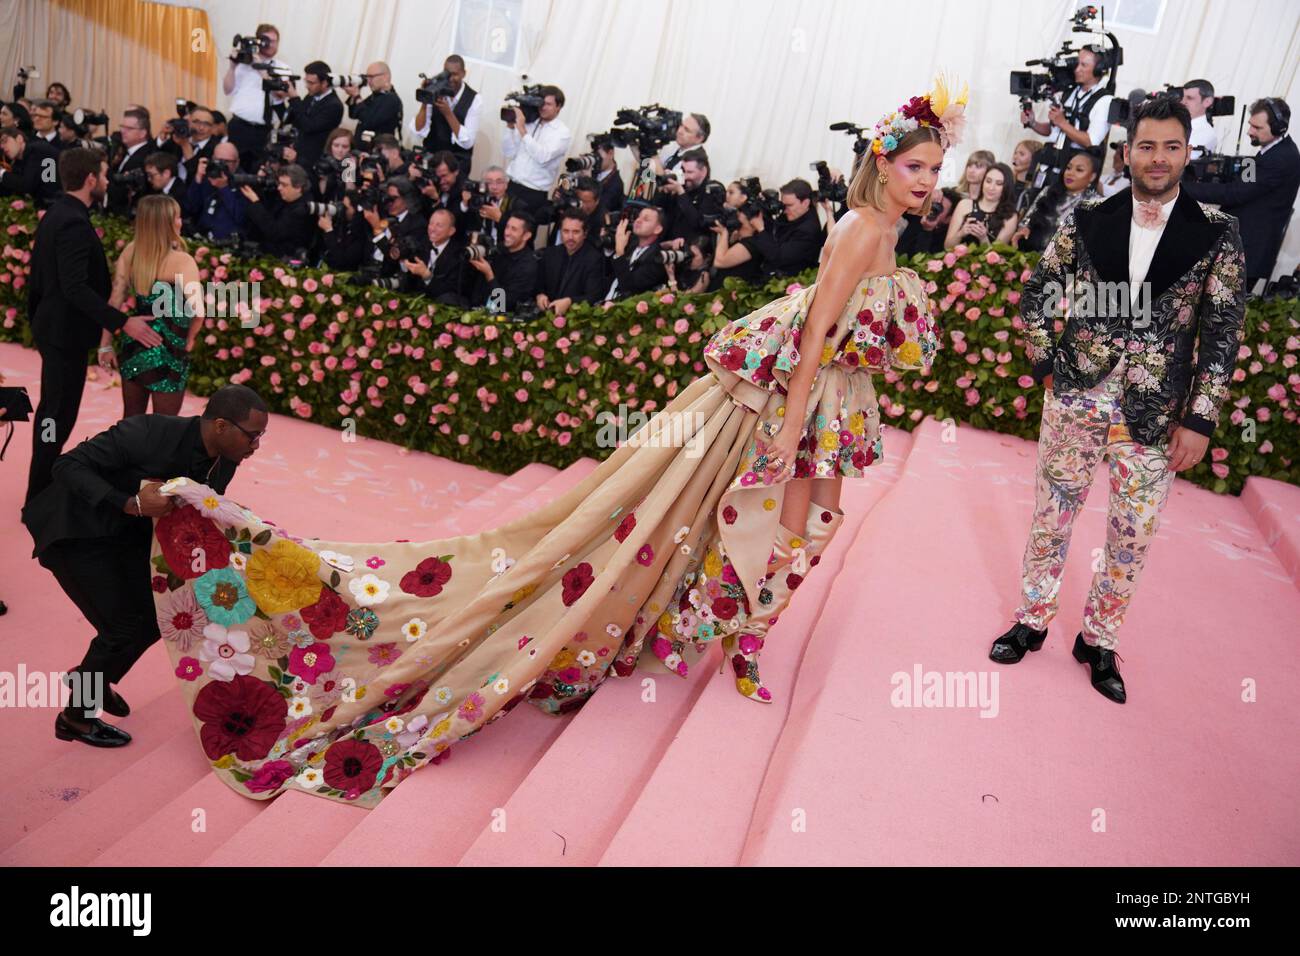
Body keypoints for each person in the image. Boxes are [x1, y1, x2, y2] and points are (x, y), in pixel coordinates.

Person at [129, 78, 956, 807]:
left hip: (830, 401)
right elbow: (814, 331)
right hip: (791, 397)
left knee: (803, 527)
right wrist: (784, 425)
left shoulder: (882, 230)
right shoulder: (861, 230)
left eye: (935, 168)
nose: (927, 182)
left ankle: (739, 631)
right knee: (760, 520)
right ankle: (737, 635)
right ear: (883, 162)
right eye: (916, 165)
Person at [988, 95, 1246, 704]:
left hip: (1156, 411)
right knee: (1053, 514)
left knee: (1132, 536)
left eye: (1171, 146)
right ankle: (1031, 619)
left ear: (1188, 152)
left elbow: (1222, 332)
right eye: (1146, 146)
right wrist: (1047, 363)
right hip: (1078, 393)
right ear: (1127, 151)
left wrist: (1201, 419)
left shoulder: (1217, 230)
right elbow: (1038, 292)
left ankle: (1098, 639)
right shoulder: (1087, 215)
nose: (1157, 158)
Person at [22, 385, 267, 748]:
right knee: (122, 627)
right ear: (220, 426)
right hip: (75, 533)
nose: (256, 446)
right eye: (253, 435)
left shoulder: (225, 460)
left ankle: (90, 677)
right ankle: (75, 718)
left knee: (158, 615)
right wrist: (129, 502)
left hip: (125, 539)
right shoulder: (147, 432)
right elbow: (67, 465)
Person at [24, 147, 162, 506]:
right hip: (63, 333)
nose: (105, 181)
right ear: (89, 180)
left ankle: (40, 485)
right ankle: (38, 493)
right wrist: (122, 323)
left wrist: (36, 319)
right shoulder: (71, 221)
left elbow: (38, 278)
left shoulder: (58, 212)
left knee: (54, 410)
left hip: (53, 329)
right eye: (102, 175)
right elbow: (73, 287)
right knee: (56, 413)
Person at [98, 194, 205, 417]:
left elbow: (114, 302)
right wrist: (190, 341)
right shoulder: (183, 261)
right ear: (165, 223)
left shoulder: (131, 251)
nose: (180, 222)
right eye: (177, 217)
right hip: (170, 349)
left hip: (134, 344)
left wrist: (105, 345)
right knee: (164, 431)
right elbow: (198, 313)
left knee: (130, 424)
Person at [1184, 97, 1299, 290]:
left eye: (1257, 128)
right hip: (1236, 247)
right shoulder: (1270, 150)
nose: (1249, 132)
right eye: (1250, 125)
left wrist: (1183, 188)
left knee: (1220, 315)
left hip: (1247, 253)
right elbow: (1242, 182)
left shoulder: (1281, 158)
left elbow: (1235, 193)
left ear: (1279, 128)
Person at [1012, 150, 1101, 253]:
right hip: (1031, 252)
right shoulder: (1049, 191)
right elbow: (1025, 223)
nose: (1070, 173)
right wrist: (1025, 230)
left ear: (1092, 176)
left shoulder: (1095, 204)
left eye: (1079, 170)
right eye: (1068, 168)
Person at [409, 55, 481, 172]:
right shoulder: (437, 90)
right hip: (432, 159)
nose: (450, 78)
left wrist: (448, 114)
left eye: (455, 74)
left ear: (464, 73)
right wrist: (425, 100)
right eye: (447, 74)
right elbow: (418, 131)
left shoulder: (475, 99)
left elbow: (467, 142)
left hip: (457, 165)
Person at [536, 210, 606, 313]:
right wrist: (539, 295)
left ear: (585, 233)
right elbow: (538, 284)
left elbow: (594, 296)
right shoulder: (550, 253)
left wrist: (570, 301)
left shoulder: (594, 259)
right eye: (566, 231)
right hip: (546, 313)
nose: (570, 237)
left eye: (576, 232)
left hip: (576, 317)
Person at [944, 161, 1018, 247]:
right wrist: (961, 233)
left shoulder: (1010, 216)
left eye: (999, 184)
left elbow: (997, 256)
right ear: (983, 182)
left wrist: (983, 238)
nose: (991, 187)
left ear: (1006, 187)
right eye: (988, 181)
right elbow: (947, 246)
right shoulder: (964, 205)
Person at [0, 125, 61, 206]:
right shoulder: (17, 162)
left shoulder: (39, 150)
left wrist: (1, 173)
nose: (1, 146)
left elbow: (27, 185)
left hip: (57, 204)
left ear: (19, 139)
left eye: (4, 141)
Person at [343, 62, 403, 140]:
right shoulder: (375, 96)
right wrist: (353, 94)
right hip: (361, 148)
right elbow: (353, 114)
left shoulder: (392, 99)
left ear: (385, 77)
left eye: (371, 77)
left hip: (378, 148)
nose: (368, 81)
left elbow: (369, 121)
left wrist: (357, 96)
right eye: (367, 77)